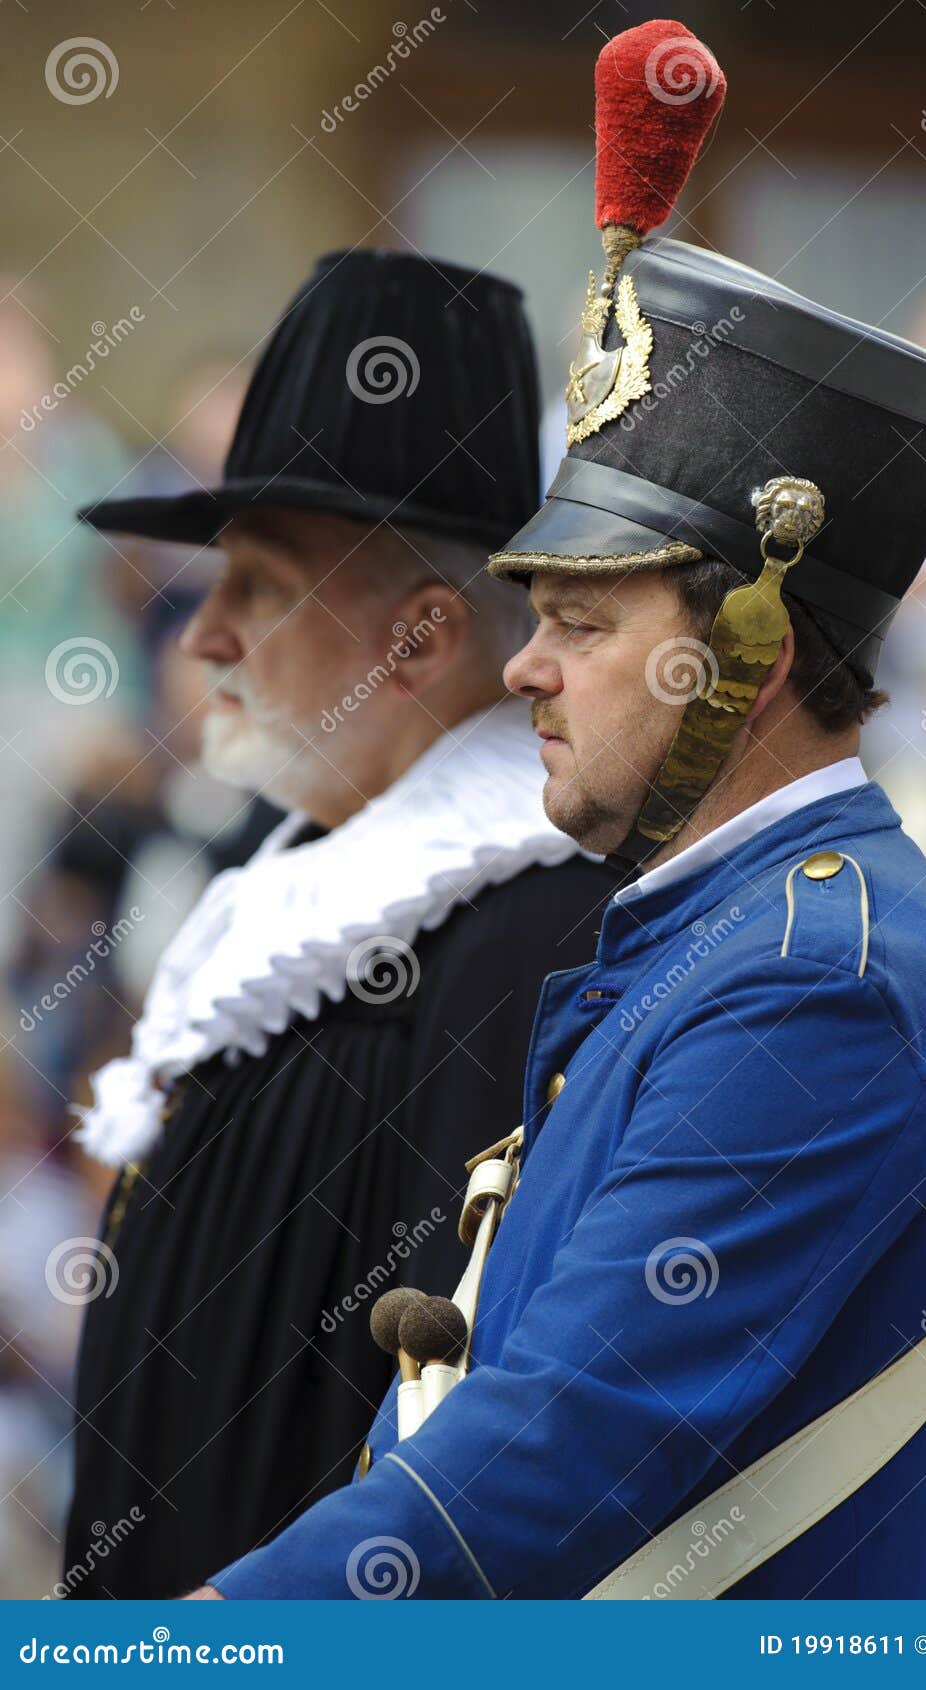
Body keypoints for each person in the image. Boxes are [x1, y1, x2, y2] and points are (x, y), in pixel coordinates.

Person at [191, 22, 926, 1602]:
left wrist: (195, 1643)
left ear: (749, 646)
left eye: (579, 621)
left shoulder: (818, 978)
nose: (521, 667)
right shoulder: (726, 926)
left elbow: (545, 1468)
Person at [63, 248, 616, 1598]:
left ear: (420, 638)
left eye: (256, 583)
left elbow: (467, 1425)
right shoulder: (299, 870)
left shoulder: (519, 930)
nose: (203, 639)